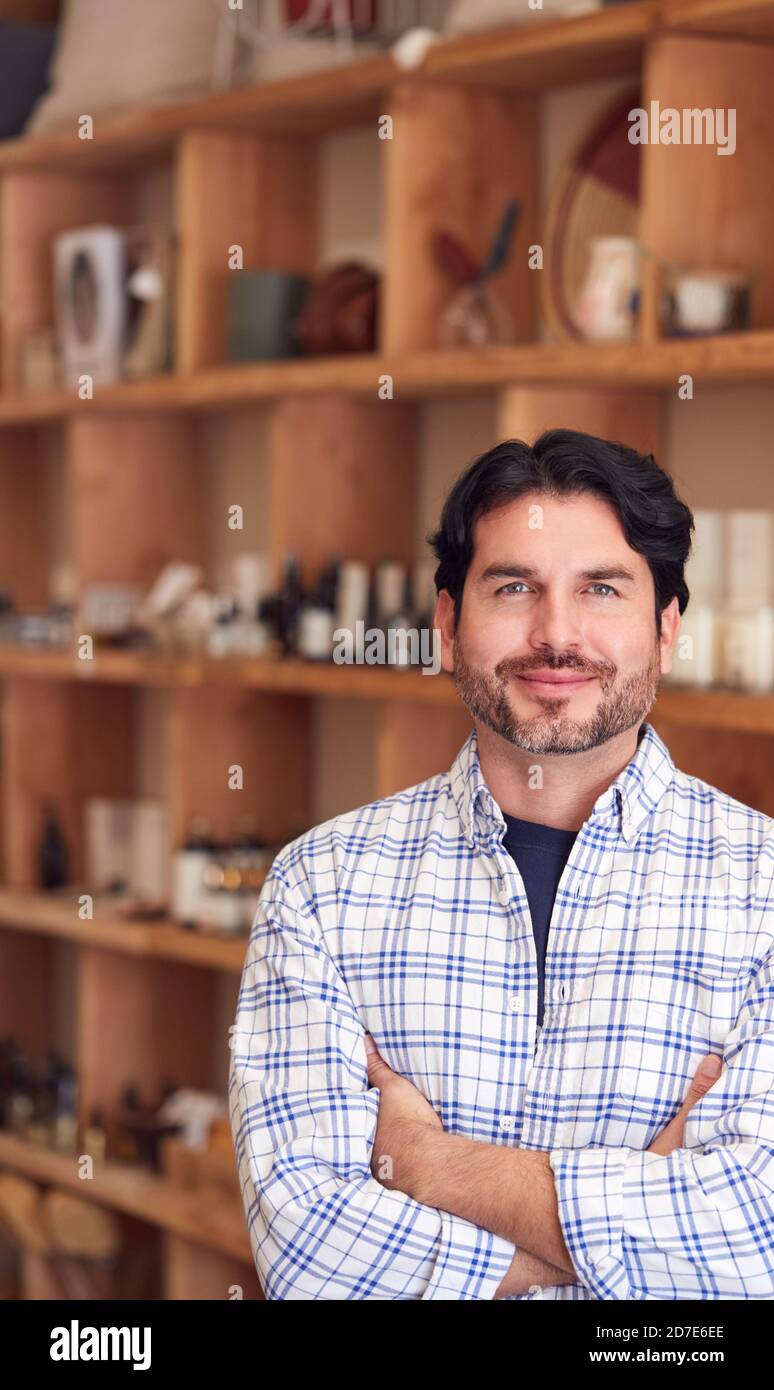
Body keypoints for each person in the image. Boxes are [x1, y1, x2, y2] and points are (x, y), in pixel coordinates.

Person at [228, 429, 774, 1300]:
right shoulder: (320, 889)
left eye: (601, 588)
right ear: (447, 625)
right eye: (515, 587)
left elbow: (755, 1249)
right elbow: (311, 1260)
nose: (557, 636)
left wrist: (428, 1166)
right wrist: (636, 1227)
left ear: (667, 630)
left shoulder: (765, 893)